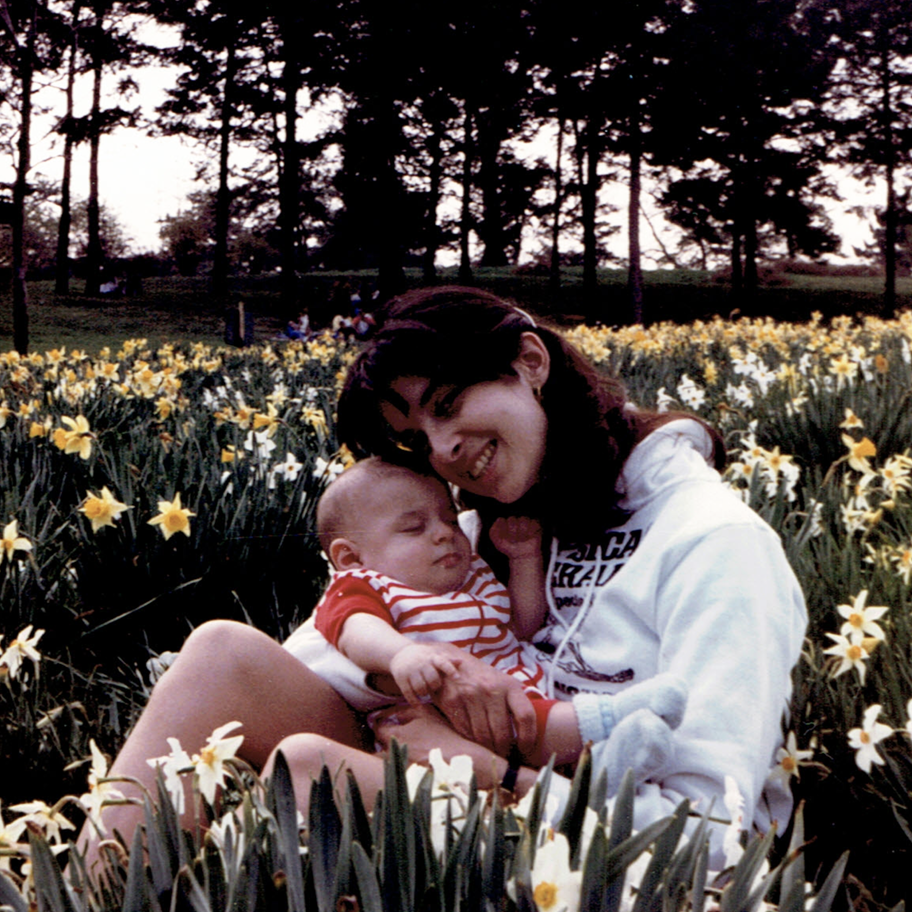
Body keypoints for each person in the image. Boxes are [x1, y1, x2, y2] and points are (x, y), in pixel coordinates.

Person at [82, 286, 806, 871]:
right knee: (220, 657)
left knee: (307, 768)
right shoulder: (490, 520)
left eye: (450, 406)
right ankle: (86, 891)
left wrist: (485, 775)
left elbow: (718, 838)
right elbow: (323, 650)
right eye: (417, 438)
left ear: (529, 362)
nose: (445, 452)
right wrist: (410, 683)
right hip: (457, 766)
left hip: (605, 842)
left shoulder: (714, 543)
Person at [301, 456, 686, 769]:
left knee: (543, 728)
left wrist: (524, 559)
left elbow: (522, 625)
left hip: (525, 696)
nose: (444, 533)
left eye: (450, 520)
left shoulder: (472, 577)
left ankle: (607, 769)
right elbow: (353, 629)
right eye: (414, 528)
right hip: (458, 720)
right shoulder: (367, 586)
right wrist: (400, 654)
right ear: (350, 557)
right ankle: (612, 718)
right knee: (533, 722)